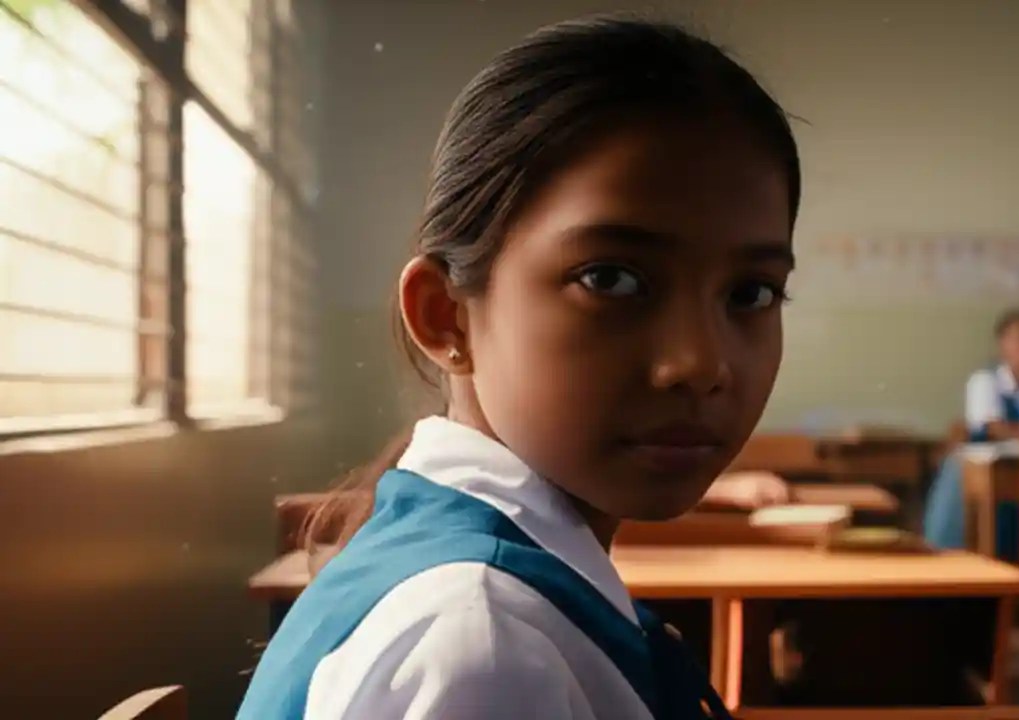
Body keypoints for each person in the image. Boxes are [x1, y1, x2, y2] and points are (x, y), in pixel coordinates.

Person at [238, 17, 800, 720]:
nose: (699, 364)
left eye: (751, 293)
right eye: (611, 279)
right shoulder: (484, 646)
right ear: (446, 316)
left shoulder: (476, 572)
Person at [923, 309, 1019, 560]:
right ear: (1002, 345)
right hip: (985, 467)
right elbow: (994, 428)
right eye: (1017, 339)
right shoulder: (985, 381)